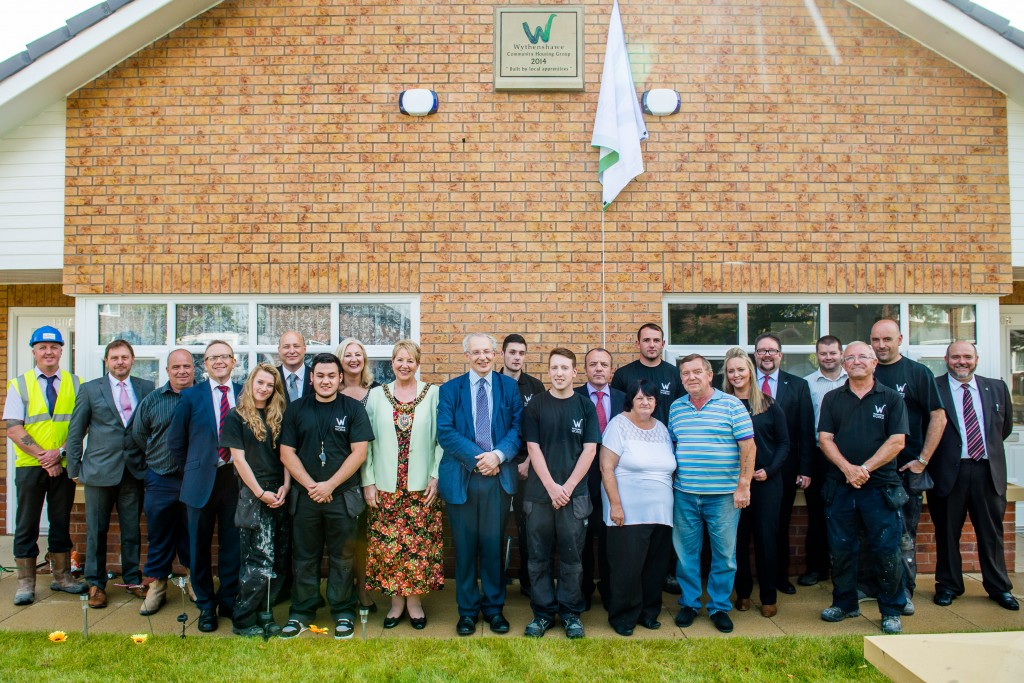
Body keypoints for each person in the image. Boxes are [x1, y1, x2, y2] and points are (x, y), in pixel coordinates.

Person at [279, 353, 374, 640]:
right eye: (320, 375)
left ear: (340, 377)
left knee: (343, 558)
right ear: (312, 378)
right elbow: (286, 453)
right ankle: (301, 612)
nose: (326, 380)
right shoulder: (296, 410)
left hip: (342, 497)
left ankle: (343, 611)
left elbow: (360, 452)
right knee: (304, 557)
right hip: (306, 498)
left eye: (331, 375)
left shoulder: (354, 409)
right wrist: (312, 486)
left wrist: (329, 485)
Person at [818, 341, 909, 634]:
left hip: (880, 488)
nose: (856, 361)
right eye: (851, 357)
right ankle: (845, 604)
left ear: (874, 363)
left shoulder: (892, 398)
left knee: (886, 551)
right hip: (840, 488)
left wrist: (865, 469)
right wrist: (848, 469)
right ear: (844, 365)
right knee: (841, 550)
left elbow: (897, 442)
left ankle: (891, 609)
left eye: (863, 356)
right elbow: (825, 439)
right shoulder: (832, 399)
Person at [437, 332, 523, 636]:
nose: (483, 357)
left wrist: (497, 457)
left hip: (497, 480)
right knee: (464, 548)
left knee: (492, 546)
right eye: (476, 353)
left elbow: (517, 428)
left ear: (495, 354)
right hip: (462, 479)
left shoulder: (509, 387)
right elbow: (445, 433)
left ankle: (494, 609)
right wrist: (481, 458)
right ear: (467, 356)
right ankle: (467, 612)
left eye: (487, 352)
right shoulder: (449, 390)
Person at [668, 354, 755, 634]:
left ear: (709, 375)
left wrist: (744, 484)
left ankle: (718, 606)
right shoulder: (676, 408)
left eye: (696, 372)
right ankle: (690, 603)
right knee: (686, 554)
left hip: (724, 496)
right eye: (685, 373)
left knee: (725, 555)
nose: (691, 377)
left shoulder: (731, 405)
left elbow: (748, 447)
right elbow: (672, 446)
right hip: (685, 493)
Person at [66, 339, 155, 608]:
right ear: (106, 361)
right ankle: (95, 584)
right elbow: (75, 431)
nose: (120, 362)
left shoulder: (146, 388)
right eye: (114, 358)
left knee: (131, 531)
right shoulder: (90, 389)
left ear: (132, 360)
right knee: (96, 532)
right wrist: (74, 469)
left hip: (133, 473)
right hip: (98, 473)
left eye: (124, 357)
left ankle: (131, 579)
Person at [930, 341, 1018, 611]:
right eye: (956, 357)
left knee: (991, 534)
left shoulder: (997, 387)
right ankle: (948, 585)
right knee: (947, 532)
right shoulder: (935, 387)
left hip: (987, 471)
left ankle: (998, 587)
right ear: (946, 359)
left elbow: (1003, 428)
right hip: (948, 472)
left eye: (967, 357)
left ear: (976, 359)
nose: (961, 361)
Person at [363, 340, 444, 630]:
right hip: (386, 486)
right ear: (392, 363)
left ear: (418, 363)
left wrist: (436, 475)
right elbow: (366, 443)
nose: (404, 365)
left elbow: (441, 440)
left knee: (419, 547)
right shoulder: (376, 396)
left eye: (410, 360)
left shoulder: (433, 394)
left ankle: (414, 602)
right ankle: (396, 603)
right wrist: (368, 481)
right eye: (399, 360)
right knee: (390, 547)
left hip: (421, 486)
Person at [867, 319, 946, 614]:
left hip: (904, 472)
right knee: (871, 533)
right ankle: (875, 587)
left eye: (887, 339)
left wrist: (922, 461)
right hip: (869, 471)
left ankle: (904, 592)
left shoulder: (917, 373)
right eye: (875, 340)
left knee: (903, 537)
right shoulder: (865, 370)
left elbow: (938, 418)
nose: (881, 345)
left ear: (900, 339)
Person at [520, 348, 600, 639]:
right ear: (549, 371)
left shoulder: (585, 407)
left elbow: (590, 450)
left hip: (574, 497)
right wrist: (553, 487)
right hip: (540, 496)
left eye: (565, 368)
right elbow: (533, 448)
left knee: (572, 559)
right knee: (537, 558)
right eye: (554, 367)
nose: (559, 373)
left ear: (575, 372)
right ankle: (542, 614)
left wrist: (566, 488)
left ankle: (569, 613)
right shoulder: (536, 406)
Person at [4, 326, 84, 605]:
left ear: (62, 350)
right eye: (42, 347)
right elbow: (13, 428)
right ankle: (26, 583)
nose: (48, 352)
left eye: (54, 347)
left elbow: (81, 426)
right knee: (26, 523)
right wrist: (44, 456)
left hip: (63, 464)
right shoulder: (19, 384)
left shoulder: (76, 383)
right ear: (34, 351)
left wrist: (59, 453)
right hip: (30, 466)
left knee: (61, 521)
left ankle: (62, 577)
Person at [167, 340, 243, 632]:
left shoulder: (243, 394)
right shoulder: (191, 396)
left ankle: (229, 600)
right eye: (213, 358)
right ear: (206, 364)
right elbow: (176, 441)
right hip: (200, 482)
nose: (219, 361)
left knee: (232, 545)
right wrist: (194, 467)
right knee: (198, 547)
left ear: (233, 362)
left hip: (235, 481)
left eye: (225, 356)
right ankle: (206, 605)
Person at [608, 323, 684, 595]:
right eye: (646, 340)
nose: (652, 344)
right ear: (637, 343)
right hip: (630, 460)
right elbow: (619, 412)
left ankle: (664, 578)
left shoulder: (673, 374)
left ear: (663, 344)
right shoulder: (624, 374)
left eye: (656, 340)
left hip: (663, 455)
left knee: (661, 533)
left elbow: (680, 412)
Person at [220, 363, 291, 637]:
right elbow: (238, 461)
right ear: (251, 383)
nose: (264, 389)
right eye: (259, 383)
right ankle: (244, 619)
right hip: (254, 494)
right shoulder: (236, 417)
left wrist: (285, 485)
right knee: (258, 559)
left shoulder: (279, 415)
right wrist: (261, 493)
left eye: (269, 385)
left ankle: (266, 613)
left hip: (280, 492)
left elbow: (286, 454)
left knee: (278, 559)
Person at [599, 379, 675, 636]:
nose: (645, 402)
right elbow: (606, 468)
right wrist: (616, 505)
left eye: (650, 398)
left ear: (656, 402)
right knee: (627, 567)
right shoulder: (618, 426)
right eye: (640, 397)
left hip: (661, 511)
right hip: (628, 511)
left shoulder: (662, 428)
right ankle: (622, 616)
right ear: (630, 399)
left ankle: (648, 612)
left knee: (655, 567)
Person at [723, 348, 790, 618]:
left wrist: (770, 470)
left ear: (750, 371)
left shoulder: (769, 404)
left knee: (765, 540)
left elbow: (785, 443)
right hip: (732, 484)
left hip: (766, 484)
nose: (736, 375)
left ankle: (768, 596)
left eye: (741, 369)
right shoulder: (722, 404)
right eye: (731, 371)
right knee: (737, 541)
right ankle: (743, 593)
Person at [132, 348, 196, 616]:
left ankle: (194, 581)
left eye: (187, 366)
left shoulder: (202, 397)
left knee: (192, 533)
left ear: (195, 369)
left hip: (194, 480)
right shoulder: (153, 400)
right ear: (167, 371)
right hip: (160, 477)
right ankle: (157, 585)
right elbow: (138, 434)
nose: (182, 371)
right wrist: (156, 461)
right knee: (158, 534)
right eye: (176, 367)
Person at [751, 333, 814, 596]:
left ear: (780, 355)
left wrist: (805, 468)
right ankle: (746, 580)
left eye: (772, 351)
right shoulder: (742, 382)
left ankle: (779, 577)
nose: (767, 355)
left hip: (783, 469)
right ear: (755, 355)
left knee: (779, 524)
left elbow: (805, 430)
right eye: (762, 351)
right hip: (744, 470)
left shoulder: (797, 385)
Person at [574, 347, 625, 610]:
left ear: (611, 369)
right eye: (593, 364)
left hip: (614, 482)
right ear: (584, 370)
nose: (598, 369)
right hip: (582, 481)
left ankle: (608, 590)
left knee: (610, 540)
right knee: (581, 541)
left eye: (604, 364)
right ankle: (582, 592)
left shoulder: (623, 399)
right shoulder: (574, 397)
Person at [499, 333, 545, 599]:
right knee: (497, 525)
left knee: (528, 527)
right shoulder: (492, 382)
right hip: (499, 466)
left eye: (521, 353)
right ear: (503, 354)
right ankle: (498, 580)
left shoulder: (535, 386)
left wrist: (528, 462)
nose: (517, 357)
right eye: (512, 352)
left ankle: (528, 582)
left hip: (529, 467)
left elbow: (539, 429)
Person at [336, 336, 379, 612]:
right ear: (340, 360)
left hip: (370, 470)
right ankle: (342, 591)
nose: (353, 359)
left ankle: (363, 588)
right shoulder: (330, 390)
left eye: (358, 354)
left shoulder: (376, 391)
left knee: (363, 535)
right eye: (348, 354)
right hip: (340, 473)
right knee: (343, 535)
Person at [800, 335, 846, 587]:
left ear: (841, 354)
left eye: (833, 353)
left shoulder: (855, 381)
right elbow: (805, 428)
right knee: (817, 514)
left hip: (849, 457)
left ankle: (847, 571)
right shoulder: (807, 384)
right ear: (816, 355)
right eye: (823, 353)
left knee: (848, 514)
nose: (828, 357)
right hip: (818, 457)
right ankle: (816, 568)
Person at [278, 330, 312, 404]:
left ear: (304, 349)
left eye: (296, 346)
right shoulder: (272, 377)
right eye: (286, 347)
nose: (292, 351)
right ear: (279, 350)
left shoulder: (316, 376)